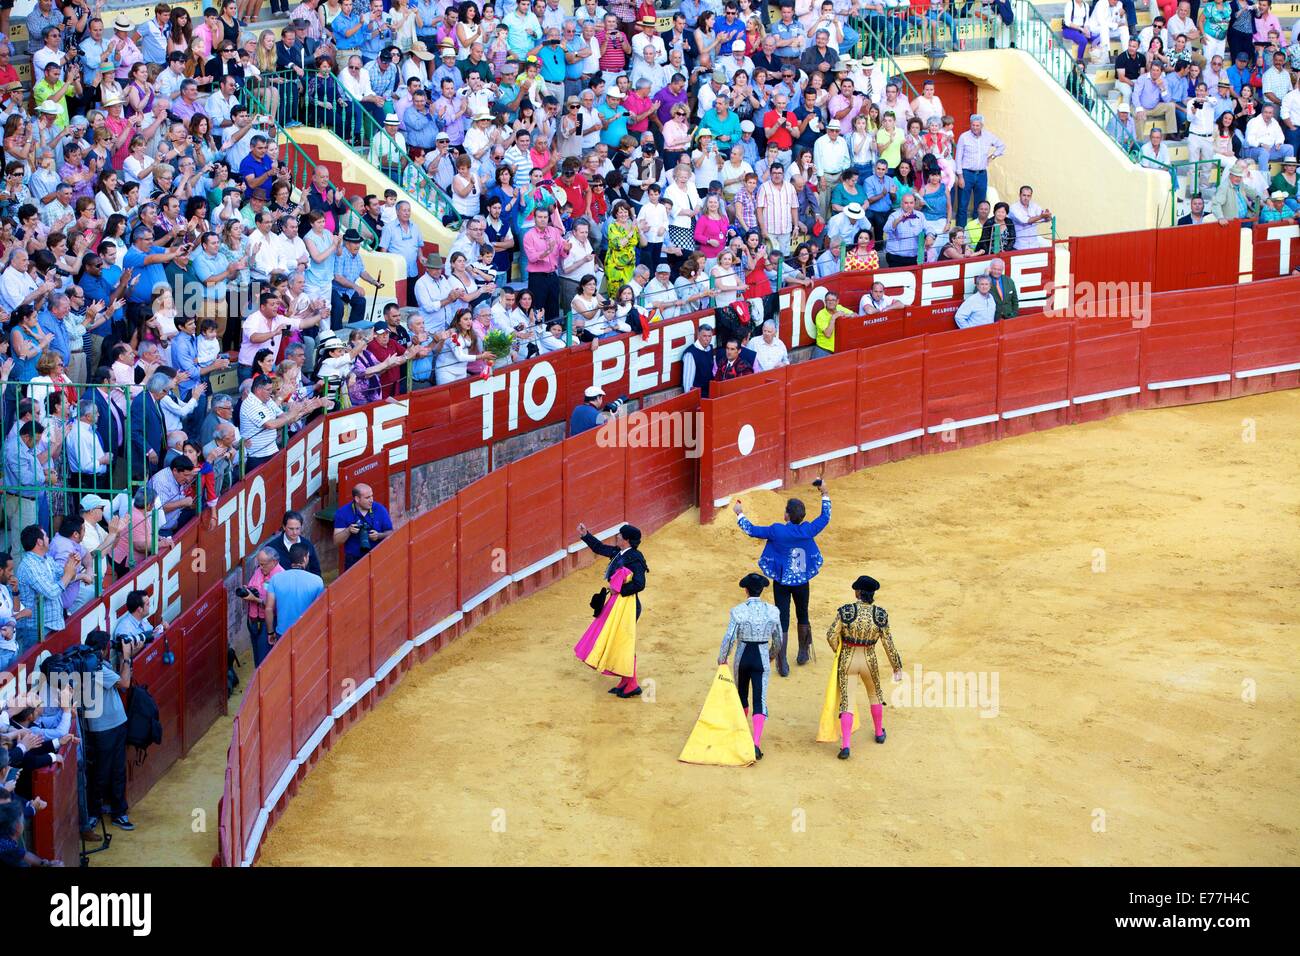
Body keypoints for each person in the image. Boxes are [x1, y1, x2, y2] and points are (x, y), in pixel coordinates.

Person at [732, 478, 831, 676]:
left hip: (783, 581)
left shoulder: (777, 530)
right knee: (802, 613)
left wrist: (739, 514)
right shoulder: (808, 529)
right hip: (802, 580)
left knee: (782, 618)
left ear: (787, 515)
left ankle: (782, 661)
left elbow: (752, 530)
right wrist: (824, 493)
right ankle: (803, 652)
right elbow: (825, 517)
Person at [819, 574, 903, 759]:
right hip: (869, 659)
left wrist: (839, 650)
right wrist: (897, 667)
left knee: (847, 701)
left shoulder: (846, 611)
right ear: (872, 594)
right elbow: (888, 644)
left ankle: (846, 746)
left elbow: (831, 634)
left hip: (848, 658)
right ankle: (879, 733)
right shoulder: (880, 614)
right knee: (875, 695)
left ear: (857, 593)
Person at [573, 522, 647, 698]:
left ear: (627, 540)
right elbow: (599, 548)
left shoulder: (635, 558)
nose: (617, 537)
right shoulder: (618, 553)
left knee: (623, 643)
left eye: (620, 535)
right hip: (617, 605)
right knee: (616, 641)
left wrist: (619, 589)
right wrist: (585, 535)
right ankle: (625, 680)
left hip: (628, 607)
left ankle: (632, 683)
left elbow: (640, 584)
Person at [716, 572, 782, 760]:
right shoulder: (772, 611)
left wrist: (722, 658)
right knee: (759, 699)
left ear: (745, 590)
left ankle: (740, 735)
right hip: (761, 656)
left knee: (741, 695)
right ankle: (756, 743)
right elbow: (778, 640)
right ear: (762, 590)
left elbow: (729, 638)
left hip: (742, 656)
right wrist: (771, 656)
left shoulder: (738, 610)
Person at [83, 627, 139, 830]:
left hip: (109, 725)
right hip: (105, 728)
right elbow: (125, 683)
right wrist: (126, 657)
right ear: (105, 649)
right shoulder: (95, 668)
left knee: (109, 770)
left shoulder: (91, 663)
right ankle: (105, 813)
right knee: (106, 772)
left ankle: (112, 811)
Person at [264, 542, 325, 641]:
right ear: (305, 558)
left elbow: (269, 608)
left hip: (283, 632)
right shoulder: (317, 581)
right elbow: (320, 609)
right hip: (307, 632)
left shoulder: (276, 579)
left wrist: (270, 632)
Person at [332, 482, 394, 572]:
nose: (371, 500)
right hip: (353, 559)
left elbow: (391, 532)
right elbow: (337, 541)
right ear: (357, 499)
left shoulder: (379, 509)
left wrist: (379, 535)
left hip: (377, 556)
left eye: (372, 496)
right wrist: (348, 530)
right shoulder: (342, 513)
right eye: (367, 498)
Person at [813, 291, 852, 357]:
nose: (830, 302)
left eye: (833, 300)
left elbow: (856, 315)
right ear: (825, 302)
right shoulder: (821, 315)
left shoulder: (840, 308)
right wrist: (833, 317)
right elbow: (828, 334)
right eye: (828, 300)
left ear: (837, 301)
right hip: (823, 351)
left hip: (838, 351)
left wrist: (847, 315)